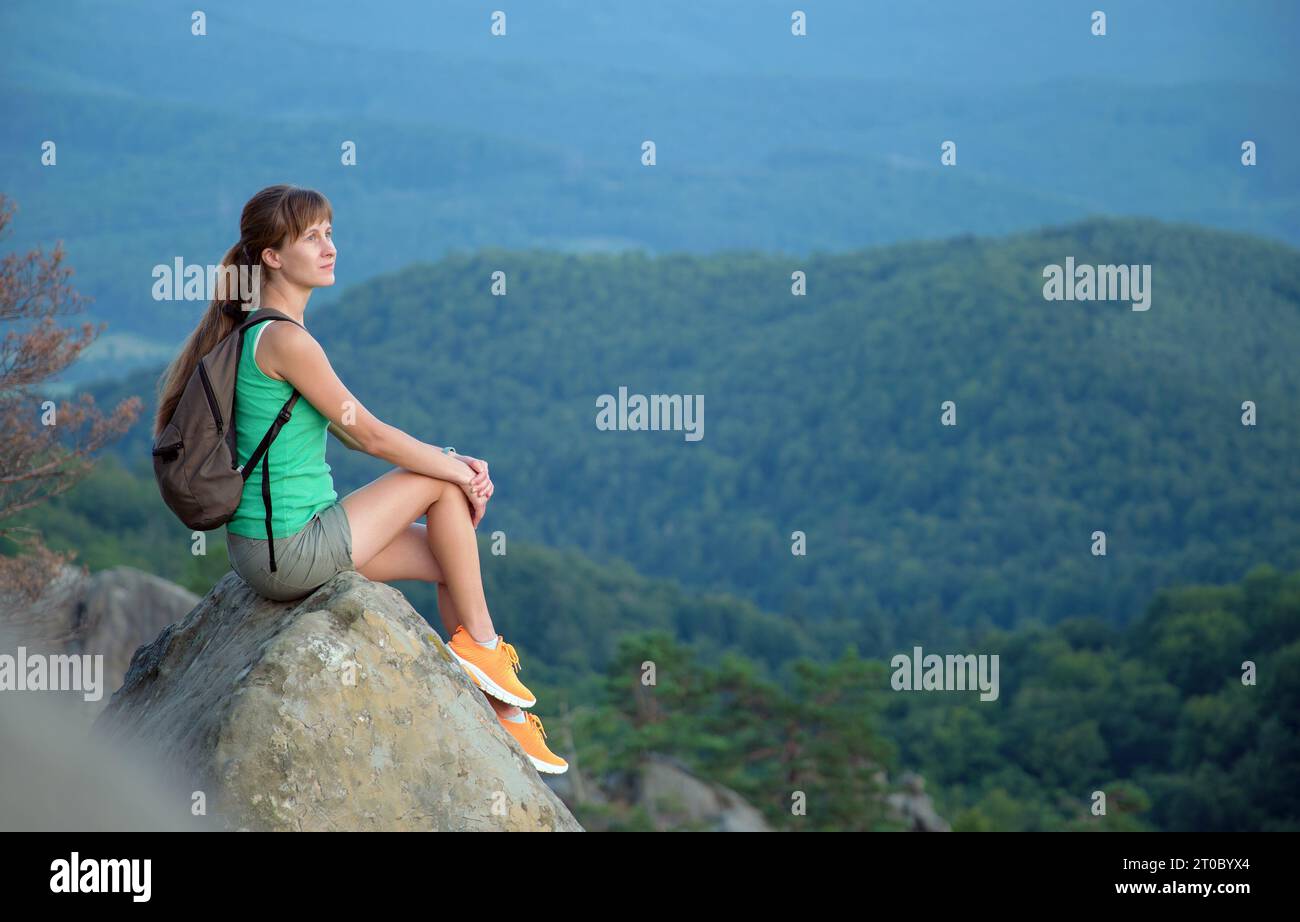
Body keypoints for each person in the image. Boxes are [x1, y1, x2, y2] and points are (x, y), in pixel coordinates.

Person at [152, 184, 566, 774]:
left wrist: (452, 463)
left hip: (280, 543)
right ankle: (487, 652)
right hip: (287, 552)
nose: (330, 247)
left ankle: (500, 712)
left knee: (453, 554)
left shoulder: (261, 331)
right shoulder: (285, 340)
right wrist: (458, 466)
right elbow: (364, 434)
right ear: (271, 256)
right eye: (311, 237)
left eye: (330, 232)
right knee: (440, 487)